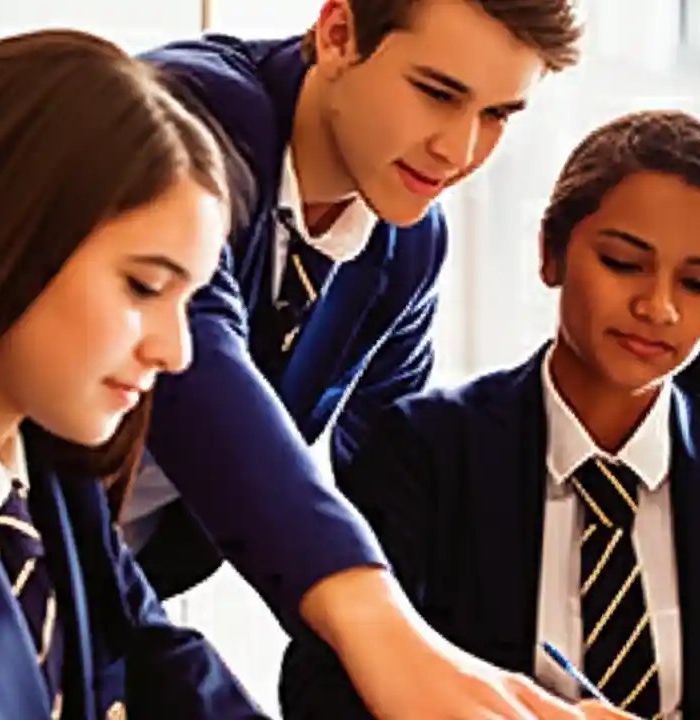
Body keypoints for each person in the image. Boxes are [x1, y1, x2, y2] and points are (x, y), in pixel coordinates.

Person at [280, 109, 700, 719]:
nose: (657, 307)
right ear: (550, 254)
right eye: (623, 263)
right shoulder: (423, 451)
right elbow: (323, 698)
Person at [122, 0, 589, 715]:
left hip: (114, 587)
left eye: (497, 116)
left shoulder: (408, 248)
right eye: (437, 93)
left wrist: (475, 679)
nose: (458, 151)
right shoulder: (189, 111)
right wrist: (381, 632)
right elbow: (195, 360)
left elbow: (389, 482)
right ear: (338, 34)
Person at [0, 29, 263, 719]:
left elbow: (177, 680)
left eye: (187, 302)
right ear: (4, 237)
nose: (177, 351)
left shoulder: (57, 493)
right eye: (143, 287)